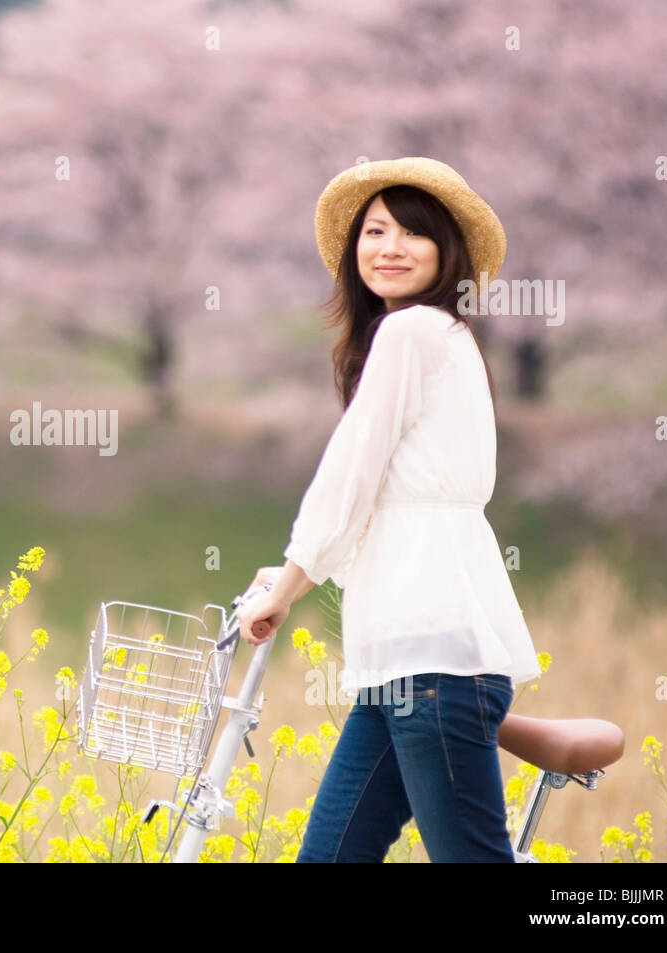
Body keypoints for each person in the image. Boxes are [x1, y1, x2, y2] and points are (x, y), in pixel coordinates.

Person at [232, 157, 543, 862]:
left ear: (447, 253)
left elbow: (351, 475)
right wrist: (292, 574)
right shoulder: (445, 338)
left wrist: (286, 586)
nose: (390, 247)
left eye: (413, 234)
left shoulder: (413, 334)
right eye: (375, 232)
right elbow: (386, 503)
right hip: (404, 662)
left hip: (433, 664)